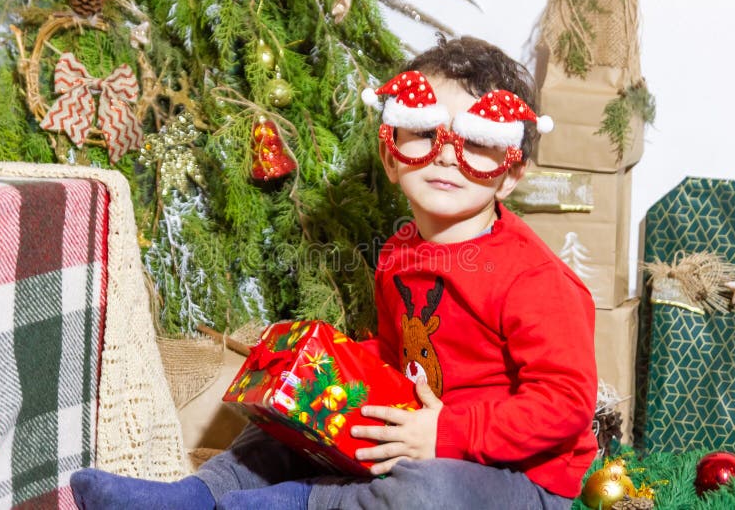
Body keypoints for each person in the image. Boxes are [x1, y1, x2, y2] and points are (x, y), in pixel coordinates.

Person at [70, 35, 598, 510]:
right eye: (423, 132)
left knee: (424, 491)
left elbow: (565, 405)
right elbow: (396, 357)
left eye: (477, 140)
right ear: (391, 156)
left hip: (517, 477)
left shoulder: (535, 279)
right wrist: (322, 367)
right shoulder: (400, 253)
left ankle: (297, 503)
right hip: (416, 432)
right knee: (296, 406)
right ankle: (198, 495)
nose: (445, 155)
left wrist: (446, 433)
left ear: (510, 174)